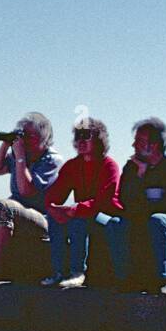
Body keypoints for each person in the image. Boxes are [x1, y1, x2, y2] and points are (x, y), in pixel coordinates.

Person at [0, 112, 62, 279]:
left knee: (4, 206)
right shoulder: (21, 156)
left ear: (42, 138)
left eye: (28, 136)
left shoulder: (52, 160)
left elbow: (26, 191)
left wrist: (20, 159)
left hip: (43, 217)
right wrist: (5, 146)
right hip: (17, 212)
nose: (23, 141)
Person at [43, 117, 129, 288]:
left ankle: (78, 272)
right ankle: (58, 272)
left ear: (98, 140)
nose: (81, 141)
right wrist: (53, 208)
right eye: (78, 137)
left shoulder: (109, 165)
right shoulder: (72, 166)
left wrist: (76, 210)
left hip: (108, 215)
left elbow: (105, 200)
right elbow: (55, 194)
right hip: (82, 213)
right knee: (54, 219)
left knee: (78, 219)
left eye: (86, 137)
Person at [119, 118, 166, 297]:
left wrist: (142, 190)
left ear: (154, 145)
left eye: (140, 141)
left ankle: (165, 281)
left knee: (158, 220)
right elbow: (125, 202)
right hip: (141, 219)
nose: (133, 145)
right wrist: (139, 176)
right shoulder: (132, 167)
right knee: (115, 223)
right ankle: (125, 277)